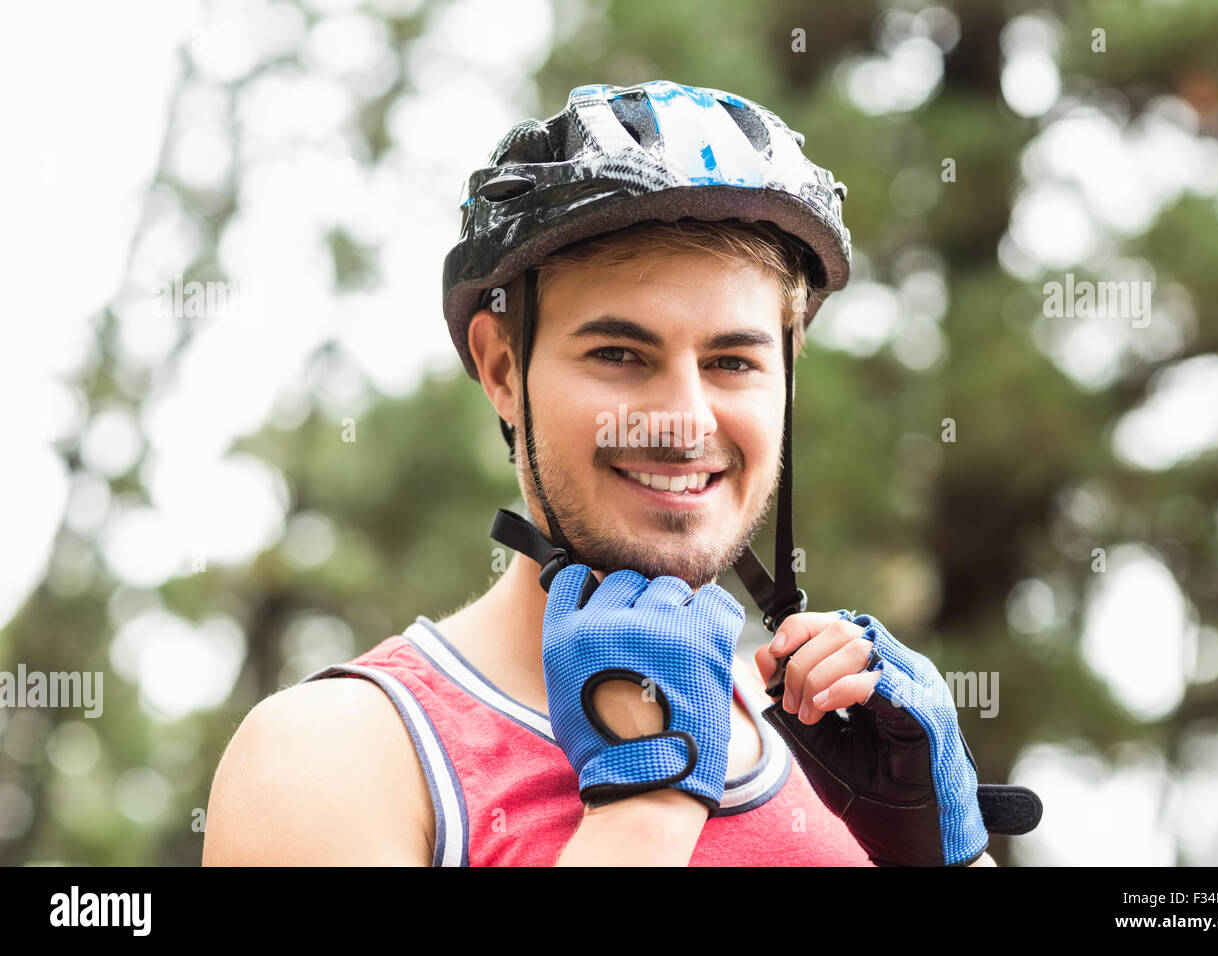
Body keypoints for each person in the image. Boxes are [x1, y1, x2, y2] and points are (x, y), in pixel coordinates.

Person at [202, 80, 1040, 867]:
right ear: (501, 370)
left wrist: (941, 859)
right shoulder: (339, 753)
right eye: (618, 353)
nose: (684, 422)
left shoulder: (842, 771)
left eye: (733, 362)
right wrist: (642, 807)